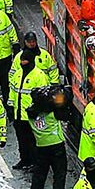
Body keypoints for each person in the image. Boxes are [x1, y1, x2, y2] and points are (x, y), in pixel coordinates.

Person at [7, 34, 61, 163]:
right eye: (22, 60)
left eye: (25, 60)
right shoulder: (18, 74)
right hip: (19, 114)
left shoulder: (39, 75)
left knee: (33, 140)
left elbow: (43, 94)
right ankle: (24, 160)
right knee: (22, 139)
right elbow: (13, 90)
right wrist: (10, 106)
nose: (22, 62)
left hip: (31, 115)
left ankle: (36, 161)